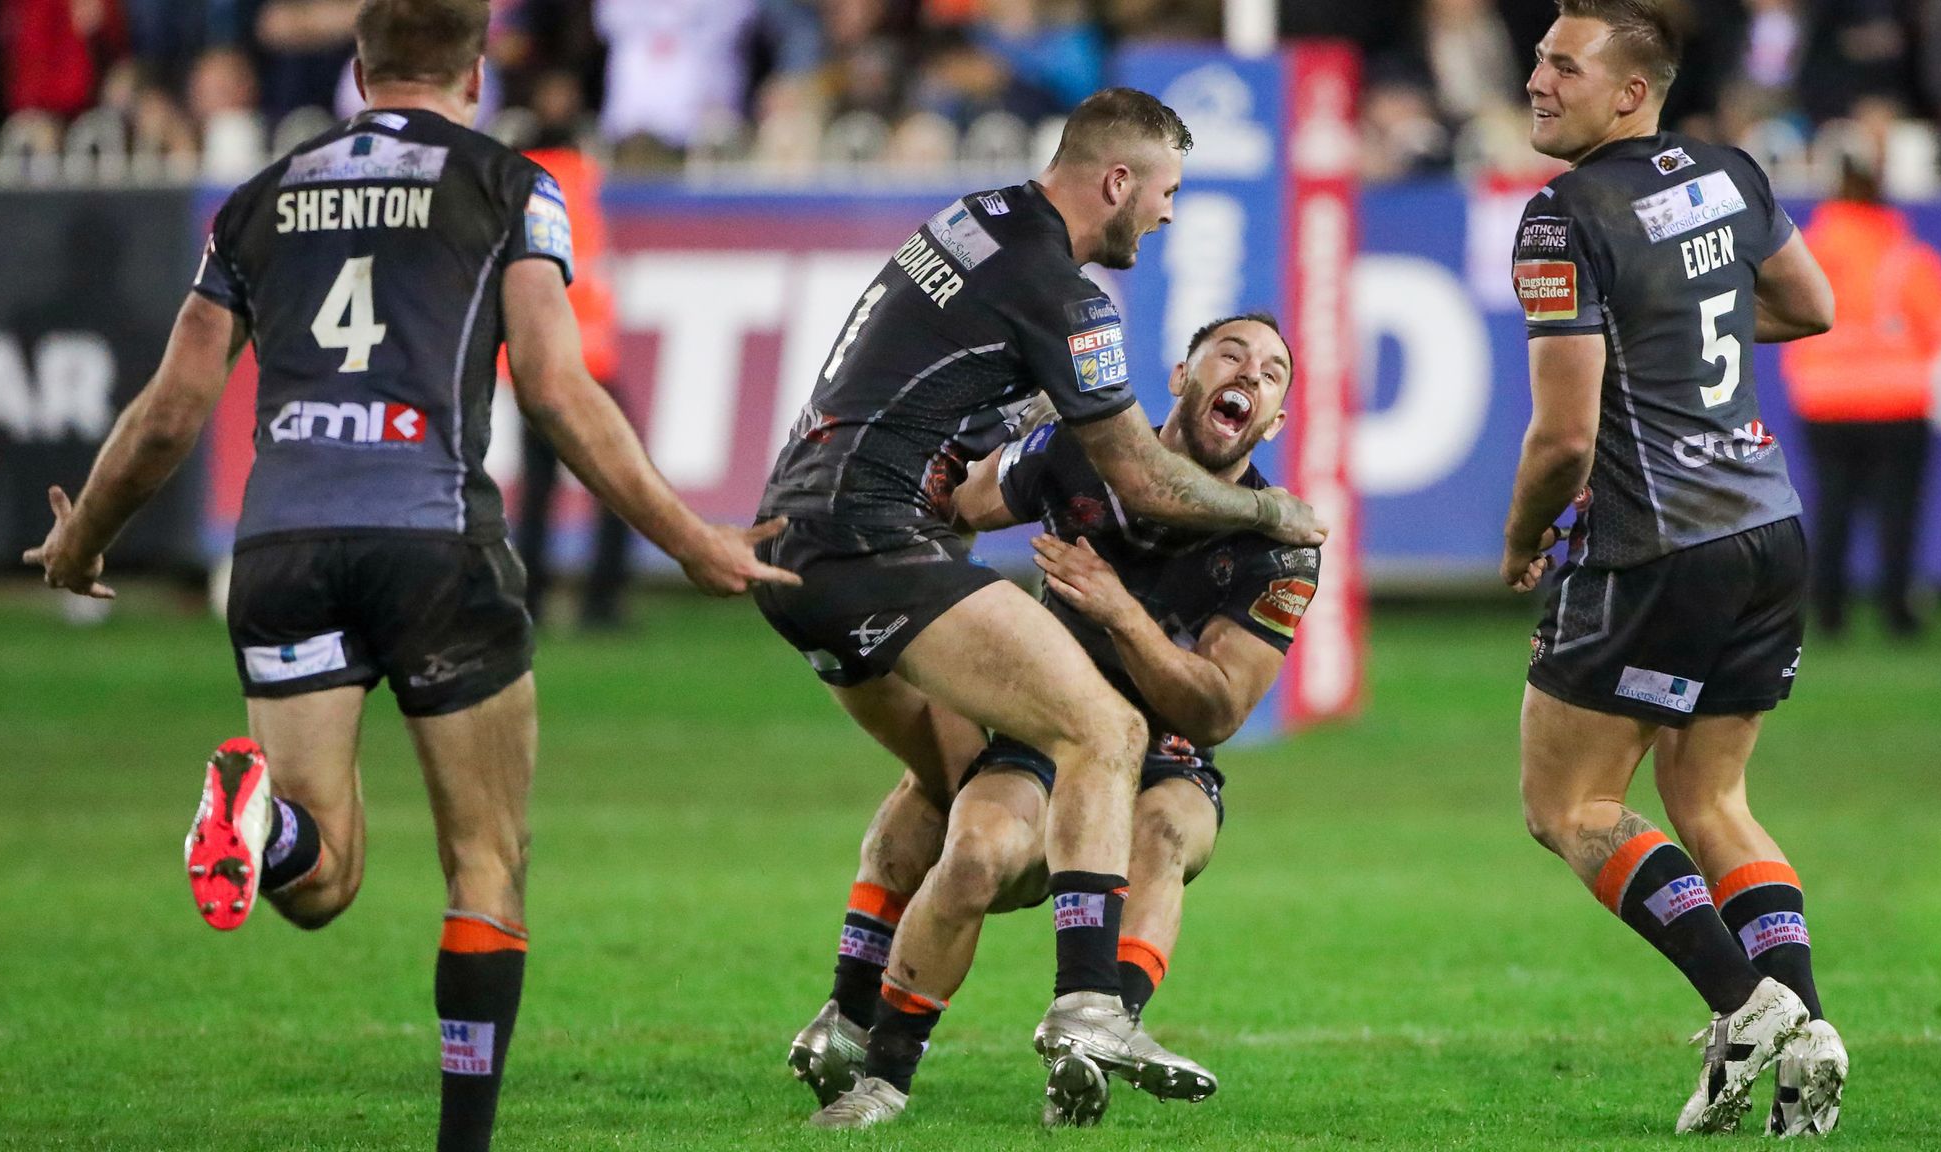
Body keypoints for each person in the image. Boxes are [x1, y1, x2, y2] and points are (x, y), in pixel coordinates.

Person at [22, 2, 796, 1149]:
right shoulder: (507, 184)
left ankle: (260, 825)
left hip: (282, 551)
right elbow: (555, 385)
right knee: (485, 861)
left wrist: (85, 535)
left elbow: (174, 408)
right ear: (475, 75)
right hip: (434, 544)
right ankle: (461, 1144)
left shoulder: (261, 196)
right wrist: (688, 538)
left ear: (357, 69)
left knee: (320, 877)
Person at [751, 86, 1326, 1118]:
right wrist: (1270, 512)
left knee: (954, 794)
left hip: (800, 543)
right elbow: (1142, 479)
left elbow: (1212, 707)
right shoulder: (1063, 302)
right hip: (872, 544)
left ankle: (854, 1037)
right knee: (1099, 728)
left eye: (1271, 371)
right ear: (1116, 181)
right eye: (1163, 194)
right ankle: (1085, 1005)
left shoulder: (973, 223)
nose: (1164, 215)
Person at [797, 313, 1317, 1129]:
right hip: (1042, 729)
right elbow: (957, 507)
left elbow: (1217, 711)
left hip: (1167, 750)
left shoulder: (1279, 546)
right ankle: (882, 1075)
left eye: (1273, 372)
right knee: (973, 853)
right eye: (1231, 353)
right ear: (1180, 377)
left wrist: (1120, 613)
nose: (1251, 374)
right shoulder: (1075, 451)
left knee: (1168, 830)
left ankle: (1097, 1035)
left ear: (1275, 421)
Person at [1502, 0, 1844, 1135]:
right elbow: (1809, 304)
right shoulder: (1728, 171)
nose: (1536, 79)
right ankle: (1803, 1026)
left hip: (1654, 543)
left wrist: (1516, 540)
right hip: (1764, 528)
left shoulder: (1561, 219)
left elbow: (1559, 440)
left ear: (1628, 91)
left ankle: (1741, 1004)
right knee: (1709, 796)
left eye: (1562, 64)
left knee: (1567, 802)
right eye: (1538, 59)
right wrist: (1680, 318)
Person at [1780, 158, 1941, 640]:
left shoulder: (1809, 252)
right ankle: (1897, 613)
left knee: (1832, 508)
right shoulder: (1905, 256)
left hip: (1823, 402)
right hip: (1897, 403)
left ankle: (1827, 614)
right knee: (1897, 511)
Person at [502, 70, 635, 629]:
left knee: (543, 487)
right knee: (620, 477)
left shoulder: (520, 177)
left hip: (555, 357)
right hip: (572, 359)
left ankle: (541, 598)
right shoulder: (570, 174)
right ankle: (595, 600)